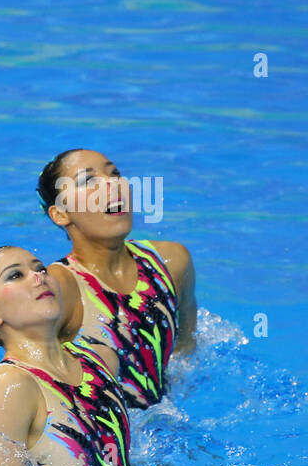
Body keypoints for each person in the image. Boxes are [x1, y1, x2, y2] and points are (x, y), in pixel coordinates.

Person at [0, 247, 131, 466]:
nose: (38, 276)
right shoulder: (12, 385)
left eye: (40, 268)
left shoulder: (102, 360)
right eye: (15, 275)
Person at [37, 148, 197, 408]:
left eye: (114, 174)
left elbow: (186, 348)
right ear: (61, 214)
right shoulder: (60, 288)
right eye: (88, 181)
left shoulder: (172, 263)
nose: (111, 184)